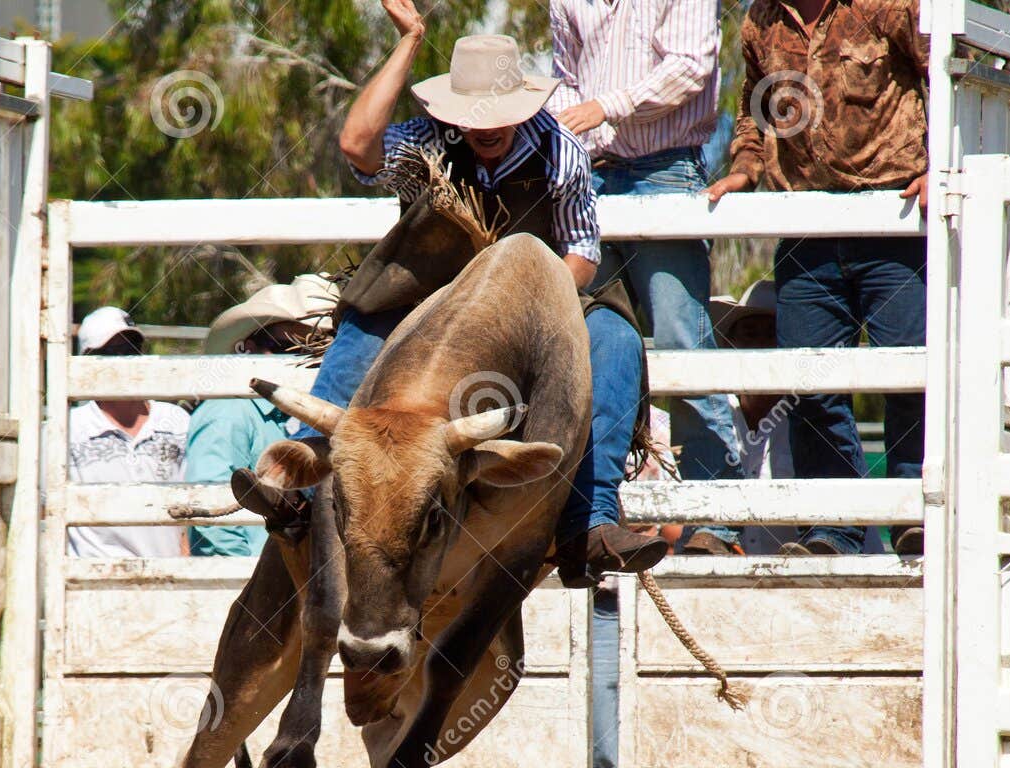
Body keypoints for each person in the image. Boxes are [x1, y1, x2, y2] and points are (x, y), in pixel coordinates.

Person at [279, 4, 663, 580]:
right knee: (367, 319)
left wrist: (531, 294)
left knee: (615, 337)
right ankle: (298, 487)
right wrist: (411, 40)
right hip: (426, 294)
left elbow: (582, 251)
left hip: (535, 301)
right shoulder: (427, 141)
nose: (485, 127)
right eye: (473, 115)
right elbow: (359, 143)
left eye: (498, 114)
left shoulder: (562, 150)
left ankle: (590, 520)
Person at [707, 0, 930, 558]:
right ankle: (833, 528)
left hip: (895, 215)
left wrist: (945, 165)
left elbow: (943, 73)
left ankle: (915, 514)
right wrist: (745, 166)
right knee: (810, 381)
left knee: (908, 370)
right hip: (806, 229)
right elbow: (753, 106)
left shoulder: (891, 5)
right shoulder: (762, 21)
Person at [549, 0, 746, 557]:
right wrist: (576, 118)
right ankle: (592, 511)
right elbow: (566, 77)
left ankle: (714, 518)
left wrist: (602, 107)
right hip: (590, 172)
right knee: (594, 343)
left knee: (685, 344)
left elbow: (691, 65)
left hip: (664, 169)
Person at [186, 275, 335, 558]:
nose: (302, 360)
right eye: (289, 348)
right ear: (248, 349)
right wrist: (247, 581)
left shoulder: (312, 416)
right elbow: (213, 523)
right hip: (254, 585)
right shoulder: (228, 413)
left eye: (315, 351)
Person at [67, 307, 189, 559]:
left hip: (169, 580)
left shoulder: (176, 421)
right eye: (112, 353)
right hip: (93, 584)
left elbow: (192, 508)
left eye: (131, 350)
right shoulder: (67, 429)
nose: (125, 360)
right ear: (87, 361)